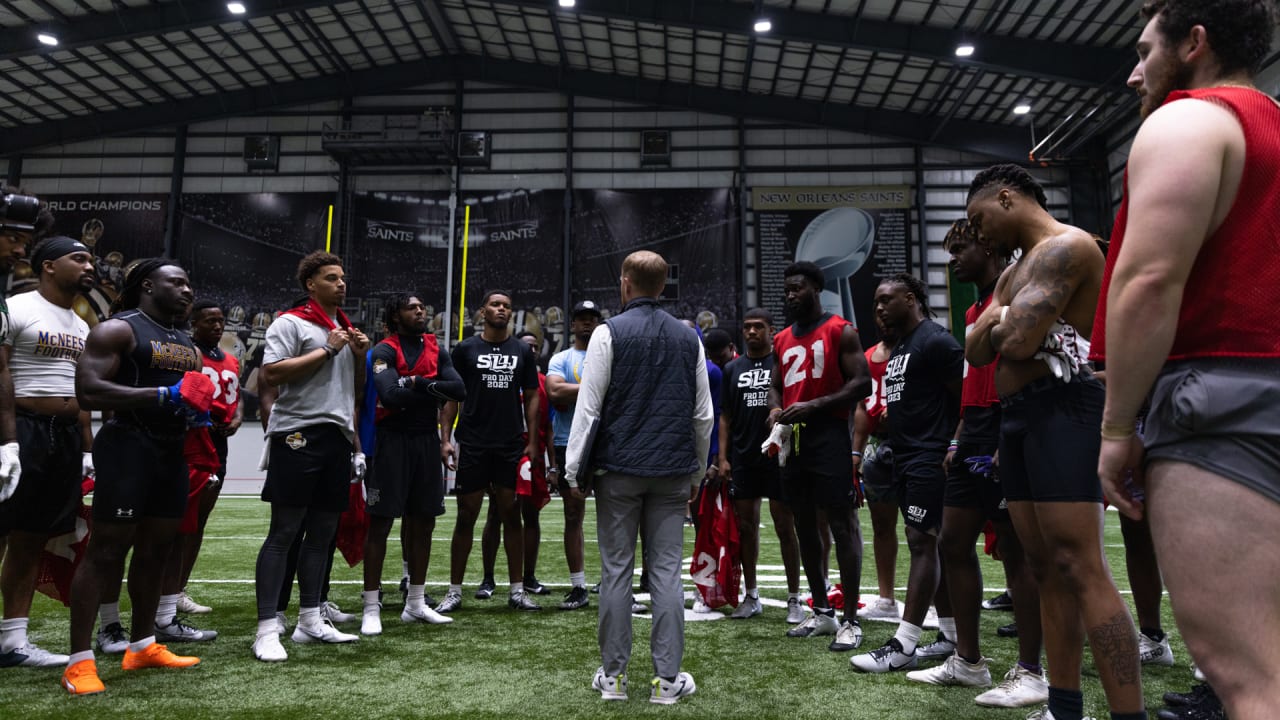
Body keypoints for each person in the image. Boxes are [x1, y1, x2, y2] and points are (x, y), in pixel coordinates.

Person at [1094, 3, 1278, 718]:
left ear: (1194, 44)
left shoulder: (1188, 119)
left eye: (1146, 53)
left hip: (1225, 404)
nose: (1137, 75)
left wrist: (1116, 432)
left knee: (1248, 681)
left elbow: (1147, 283)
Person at [964, 163, 1144, 720]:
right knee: (1042, 566)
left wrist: (1002, 326)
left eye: (979, 218)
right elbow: (973, 349)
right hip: (1016, 416)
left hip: (1066, 408)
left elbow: (1014, 341)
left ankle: (1127, 714)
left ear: (1007, 197)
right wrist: (1001, 324)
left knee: (1079, 563)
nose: (977, 233)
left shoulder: (1068, 247)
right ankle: (1064, 708)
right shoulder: (1010, 277)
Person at [905, 219, 1047, 709]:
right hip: (974, 432)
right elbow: (975, 376)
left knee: (1015, 547)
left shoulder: (1018, 295)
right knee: (952, 540)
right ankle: (968, 661)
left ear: (988, 248)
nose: (955, 260)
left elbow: (1020, 367)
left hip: (1009, 425)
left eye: (961, 249)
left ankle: (1031, 670)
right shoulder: (971, 307)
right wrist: (960, 434)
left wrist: (1008, 435)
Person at [564, 250, 712, 705]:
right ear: (663, 286)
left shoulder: (608, 333)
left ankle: (613, 680)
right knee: (667, 573)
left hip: (618, 471)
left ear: (625, 283)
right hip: (671, 472)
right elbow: (702, 415)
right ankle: (668, 682)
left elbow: (588, 408)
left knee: (616, 572)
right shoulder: (691, 339)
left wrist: (574, 470)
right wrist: (698, 472)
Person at [63, 259, 214, 695]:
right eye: (178, 282)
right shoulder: (119, 329)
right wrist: (163, 395)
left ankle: (143, 646)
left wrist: (195, 412)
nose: (187, 290)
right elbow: (87, 391)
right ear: (148, 285)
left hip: (170, 452)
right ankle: (79, 662)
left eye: (190, 283)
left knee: (157, 551)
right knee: (106, 552)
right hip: (128, 446)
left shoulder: (187, 343)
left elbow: (186, 396)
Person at [251, 251, 371, 662]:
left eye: (343, 277)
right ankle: (267, 628)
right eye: (331, 278)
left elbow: (354, 393)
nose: (341, 284)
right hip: (297, 433)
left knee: (323, 533)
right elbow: (271, 374)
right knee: (285, 532)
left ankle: (309, 620)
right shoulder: (291, 322)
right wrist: (328, 350)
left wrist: (358, 356)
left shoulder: (344, 328)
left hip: (336, 435)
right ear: (311, 284)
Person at [851, 273, 962, 673]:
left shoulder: (936, 340)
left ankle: (904, 643)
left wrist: (953, 445)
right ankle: (949, 635)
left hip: (930, 459)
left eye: (887, 300)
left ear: (912, 298)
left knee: (921, 540)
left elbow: (965, 397)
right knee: (930, 543)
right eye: (876, 302)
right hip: (904, 456)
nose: (879, 308)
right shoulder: (900, 348)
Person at [0, 237, 94, 670]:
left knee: (32, 537)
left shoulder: (82, 325)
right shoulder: (16, 308)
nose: (88, 265)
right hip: (22, 429)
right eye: (79, 258)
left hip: (64, 438)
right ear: (49, 266)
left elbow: (83, 393)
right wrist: (9, 440)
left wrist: (88, 449)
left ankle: (12, 641)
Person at [766, 261, 870, 652]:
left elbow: (862, 382)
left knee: (842, 524)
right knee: (804, 525)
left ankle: (851, 619)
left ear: (815, 289)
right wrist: (775, 410)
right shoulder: (781, 338)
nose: (790, 295)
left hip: (828, 433)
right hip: (793, 437)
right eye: (787, 289)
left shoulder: (840, 330)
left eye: (797, 288)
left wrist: (814, 405)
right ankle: (822, 610)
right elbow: (776, 386)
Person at [359, 294, 462, 634]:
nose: (421, 311)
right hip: (391, 442)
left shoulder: (437, 348)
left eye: (422, 306)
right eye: (412, 307)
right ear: (396, 315)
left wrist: (416, 382)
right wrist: (433, 389)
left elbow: (459, 389)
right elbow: (389, 395)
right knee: (381, 523)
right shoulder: (384, 350)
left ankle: (415, 604)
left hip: (425, 442)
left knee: (424, 522)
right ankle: (371, 607)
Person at [436, 290, 541, 613]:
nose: (501, 309)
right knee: (466, 515)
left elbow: (533, 395)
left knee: (510, 514)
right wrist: (445, 438)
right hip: (474, 441)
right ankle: (454, 591)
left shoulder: (522, 350)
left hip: (510, 443)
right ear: (482, 311)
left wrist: (533, 440)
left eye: (507, 306)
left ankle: (517, 590)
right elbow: (451, 395)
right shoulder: (466, 349)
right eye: (495, 304)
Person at [155, 298, 243, 635]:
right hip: (192, 440)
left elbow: (238, 399)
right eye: (209, 321)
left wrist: (235, 419)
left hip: (219, 443)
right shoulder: (188, 353)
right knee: (180, 520)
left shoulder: (232, 359)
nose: (217, 327)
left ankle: (179, 590)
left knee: (199, 521)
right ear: (195, 323)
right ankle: (165, 589)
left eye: (220, 321)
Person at [717, 308, 803, 623]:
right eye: (747, 327)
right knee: (746, 528)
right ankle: (751, 596)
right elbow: (724, 416)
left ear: (771, 330)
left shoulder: (780, 363)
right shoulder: (732, 368)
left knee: (785, 526)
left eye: (758, 327)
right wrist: (723, 457)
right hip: (744, 457)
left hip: (778, 456)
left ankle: (795, 599)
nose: (752, 332)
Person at [475, 330, 554, 601]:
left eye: (535, 347)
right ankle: (487, 578)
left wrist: (552, 465)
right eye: (526, 346)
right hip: (502, 450)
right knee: (496, 512)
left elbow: (549, 426)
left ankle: (528, 577)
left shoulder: (543, 383)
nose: (531, 351)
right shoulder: (500, 376)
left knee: (531, 514)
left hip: (532, 454)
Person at [545, 300, 603, 610]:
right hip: (569, 442)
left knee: (615, 515)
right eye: (581, 318)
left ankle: (613, 585)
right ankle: (578, 586)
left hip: (606, 442)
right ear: (572, 324)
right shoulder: (562, 357)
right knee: (572, 514)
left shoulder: (609, 354)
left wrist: (575, 389)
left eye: (592, 318)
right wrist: (597, 388)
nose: (587, 323)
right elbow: (554, 391)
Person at [851, 314, 902, 623]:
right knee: (882, 525)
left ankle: (940, 597)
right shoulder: (869, 357)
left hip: (913, 442)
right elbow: (861, 407)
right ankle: (886, 598)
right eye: (878, 308)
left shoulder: (917, 350)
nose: (883, 315)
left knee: (923, 529)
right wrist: (856, 450)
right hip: (877, 446)